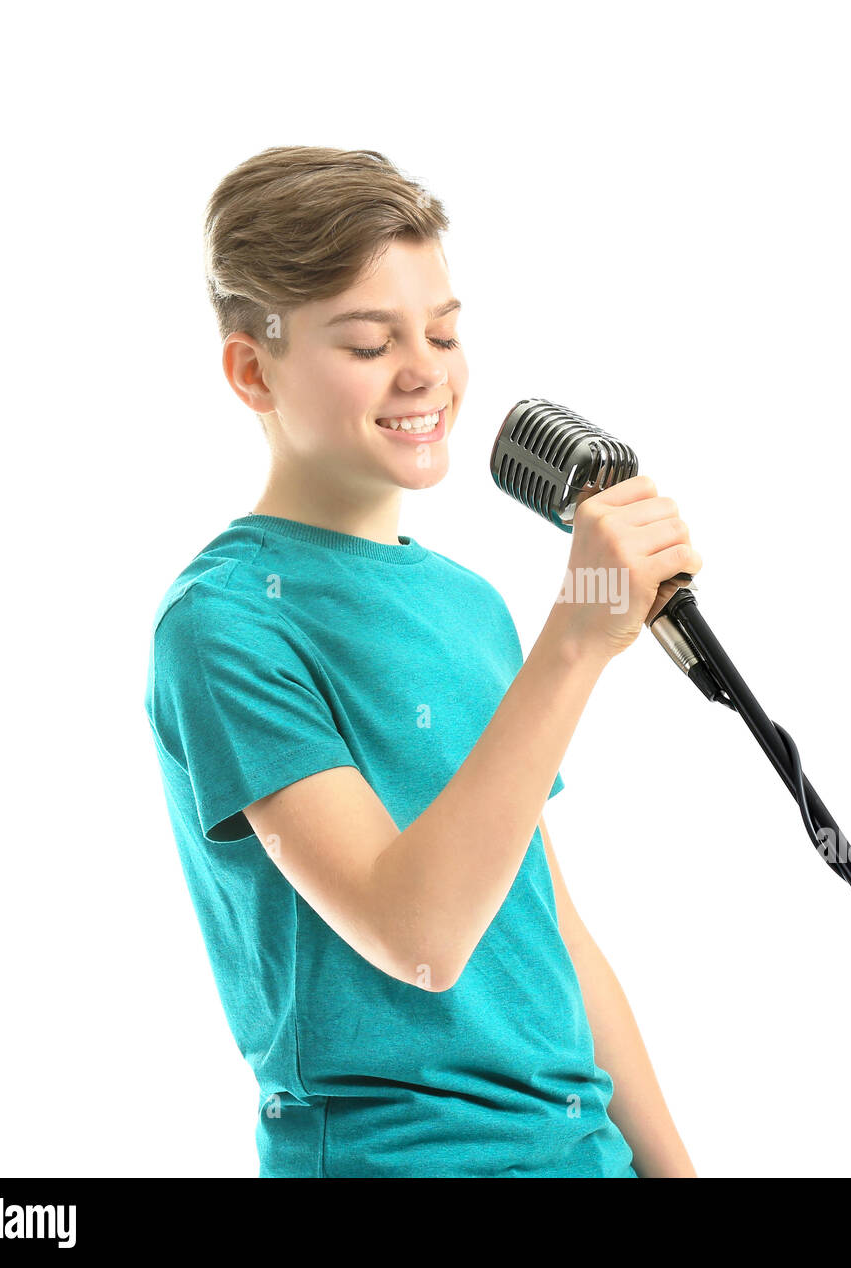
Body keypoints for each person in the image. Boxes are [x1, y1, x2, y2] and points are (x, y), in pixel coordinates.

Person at [144, 145, 702, 1178]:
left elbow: (553, 932)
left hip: (582, 1153)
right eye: (369, 342)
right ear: (251, 367)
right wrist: (576, 634)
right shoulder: (223, 625)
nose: (425, 372)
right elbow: (421, 934)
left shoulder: (466, 600)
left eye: (442, 331)